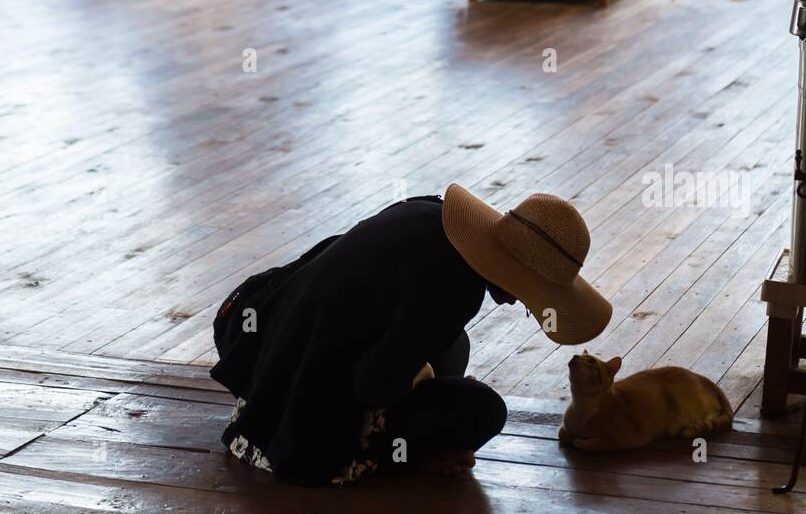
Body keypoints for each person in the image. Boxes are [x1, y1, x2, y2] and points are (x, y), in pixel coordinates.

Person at [210, 184, 611, 486]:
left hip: (268, 357)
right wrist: (423, 379)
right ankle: (404, 457)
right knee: (484, 409)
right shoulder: (453, 289)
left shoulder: (429, 212)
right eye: (529, 293)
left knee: (454, 345)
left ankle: (414, 440)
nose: (519, 303)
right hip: (304, 425)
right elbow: (373, 386)